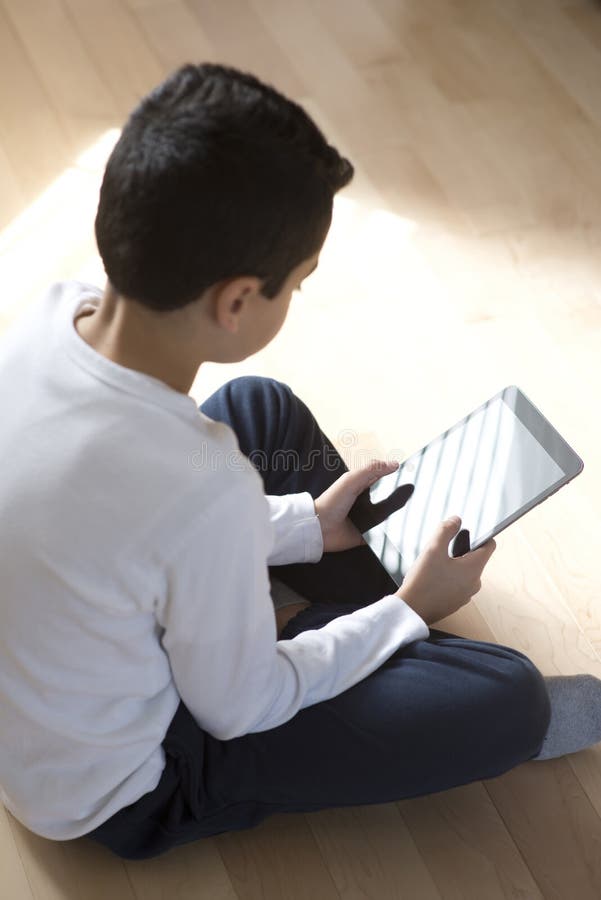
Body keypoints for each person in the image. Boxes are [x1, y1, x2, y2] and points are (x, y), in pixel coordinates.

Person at [0, 62, 597, 863]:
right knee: (509, 697)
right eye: (298, 286)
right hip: (129, 781)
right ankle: (385, 620)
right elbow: (242, 706)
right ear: (238, 300)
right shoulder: (198, 488)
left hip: (53, 683)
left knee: (257, 408)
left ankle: (364, 592)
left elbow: (126, 515)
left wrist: (308, 528)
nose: (297, 300)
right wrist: (405, 614)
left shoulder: (54, 311)